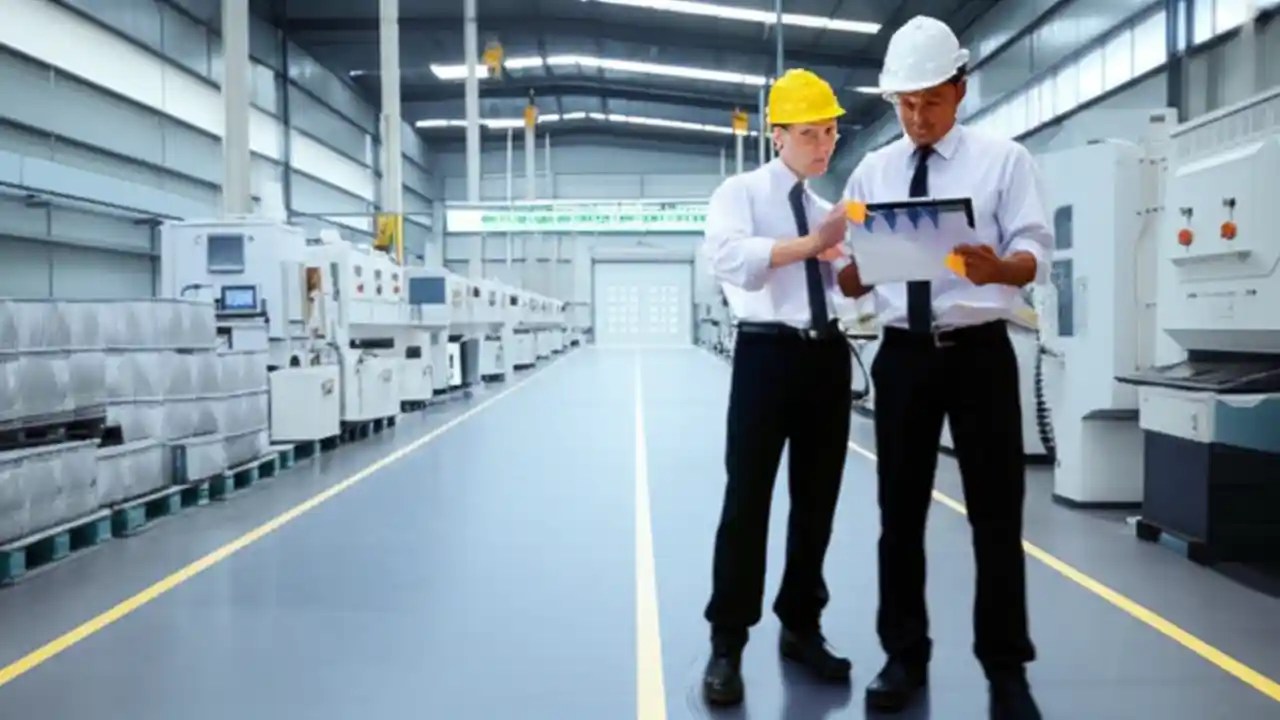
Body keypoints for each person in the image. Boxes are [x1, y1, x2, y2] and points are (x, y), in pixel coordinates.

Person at [837, 15, 1051, 720]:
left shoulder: (1003, 161)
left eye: (929, 99)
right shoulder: (874, 169)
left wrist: (1000, 267)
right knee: (897, 516)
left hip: (978, 354)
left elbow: (1032, 254)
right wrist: (856, 275)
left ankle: (1006, 672)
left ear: (960, 89)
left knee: (996, 516)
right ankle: (903, 655)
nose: (916, 116)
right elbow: (851, 267)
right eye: (903, 103)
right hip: (901, 357)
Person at [699, 67, 856, 707]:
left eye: (832, 134)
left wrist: (869, 263)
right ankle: (727, 640)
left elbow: (844, 279)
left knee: (816, 503)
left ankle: (801, 626)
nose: (824, 146)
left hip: (827, 360)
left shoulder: (828, 212)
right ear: (778, 135)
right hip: (765, 359)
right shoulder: (741, 193)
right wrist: (811, 246)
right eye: (811, 134)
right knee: (748, 503)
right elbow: (733, 260)